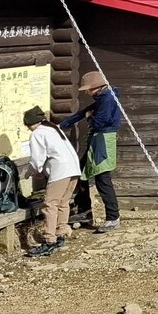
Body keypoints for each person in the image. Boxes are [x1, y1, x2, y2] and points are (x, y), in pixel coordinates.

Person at [63, 70, 122, 233]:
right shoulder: (102, 97)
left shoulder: (108, 99)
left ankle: (113, 217)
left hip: (103, 141)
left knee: (103, 178)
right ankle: (85, 212)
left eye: (88, 89)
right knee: (80, 173)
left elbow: (98, 121)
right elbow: (84, 112)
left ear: (97, 87)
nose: (87, 92)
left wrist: (90, 117)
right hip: (96, 140)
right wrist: (63, 124)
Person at [23, 106, 81, 257]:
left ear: (30, 124)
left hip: (60, 171)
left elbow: (37, 160)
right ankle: (61, 233)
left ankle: (49, 240)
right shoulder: (54, 129)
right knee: (63, 203)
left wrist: (29, 173)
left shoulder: (37, 133)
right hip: (74, 169)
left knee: (50, 204)